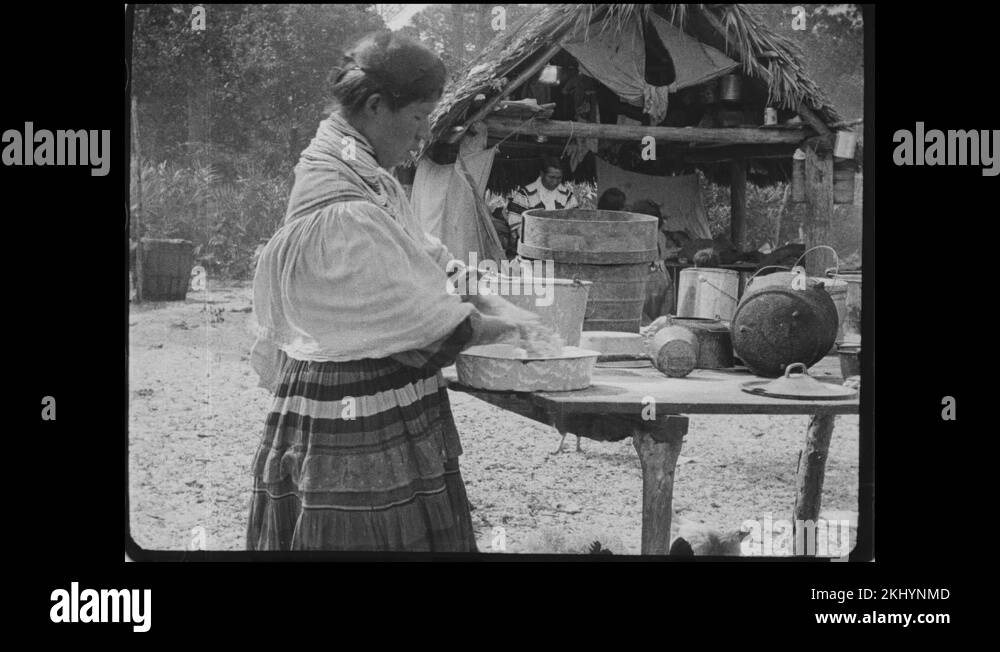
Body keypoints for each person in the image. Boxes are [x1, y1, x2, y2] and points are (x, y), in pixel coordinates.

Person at [247, 31, 542, 552]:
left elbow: (425, 253)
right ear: (377, 106)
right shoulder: (343, 209)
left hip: (379, 394)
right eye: (417, 118)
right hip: (352, 404)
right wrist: (511, 327)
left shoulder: (360, 172)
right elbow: (429, 330)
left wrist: (491, 297)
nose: (422, 135)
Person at [505, 157, 579, 245]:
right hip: (533, 245)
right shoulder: (525, 194)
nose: (555, 182)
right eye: (551, 177)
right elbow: (516, 222)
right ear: (542, 174)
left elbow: (575, 221)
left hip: (561, 245)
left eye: (559, 178)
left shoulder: (568, 196)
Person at [631, 199, 675, 322]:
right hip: (660, 280)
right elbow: (658, 265)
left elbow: (653, 265)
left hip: (648, 282)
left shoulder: (635, 237)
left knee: (649, 326)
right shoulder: (659, 235)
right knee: (657, 325)